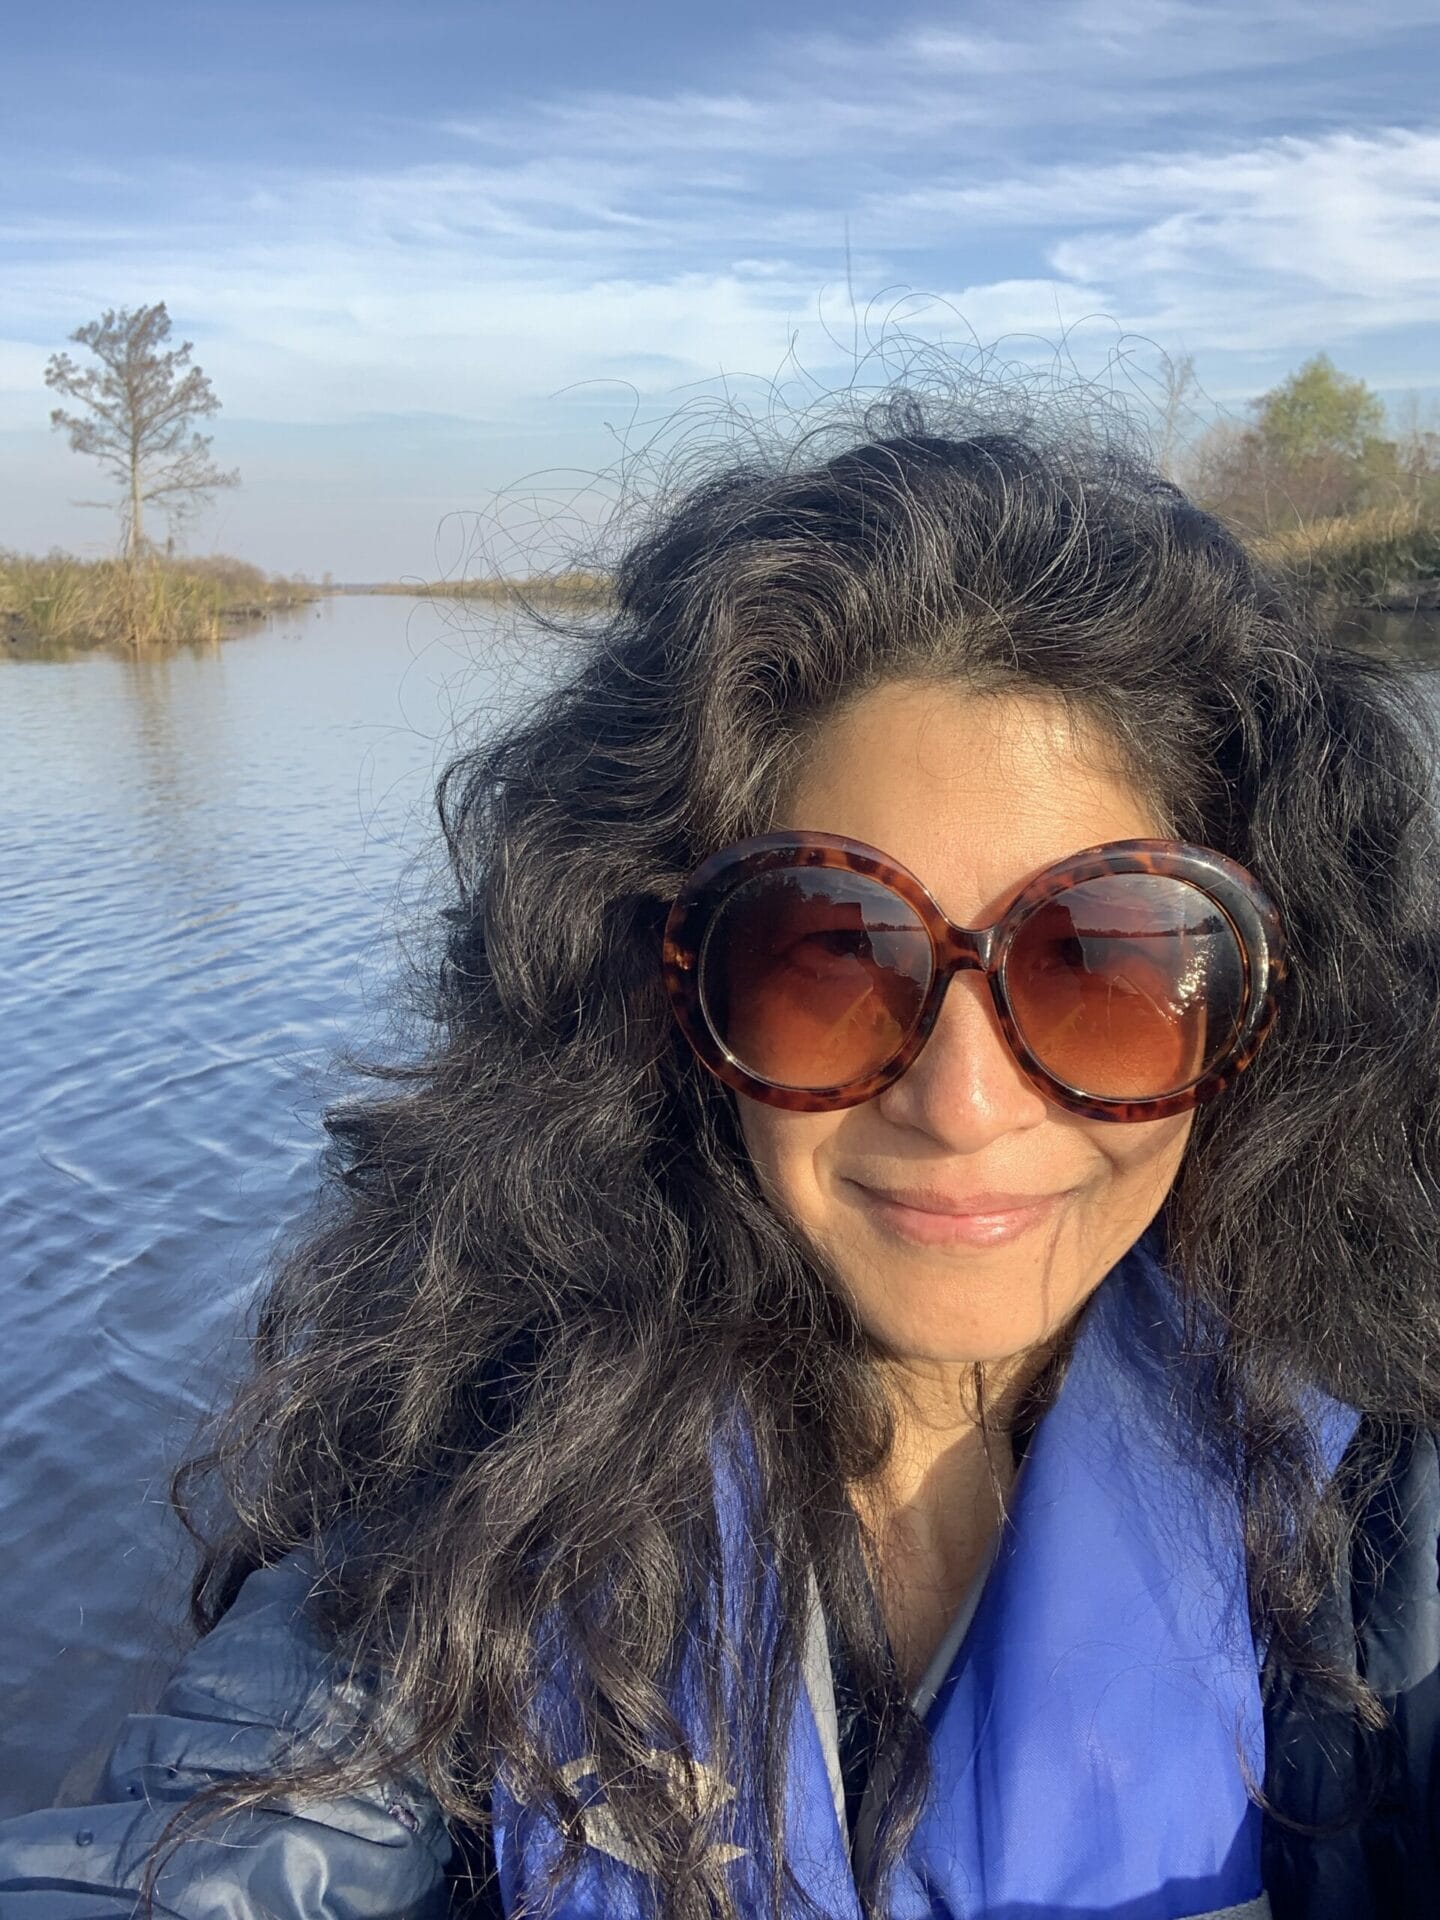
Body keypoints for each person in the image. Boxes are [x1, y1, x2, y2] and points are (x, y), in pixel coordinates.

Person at [3, 396, 1439, 1920]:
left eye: (1104, 967)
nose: (964, 1102)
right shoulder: (487, 1520)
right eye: (829, 958)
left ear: (1258, 1005)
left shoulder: (1384, 1518)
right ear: (673, 996)